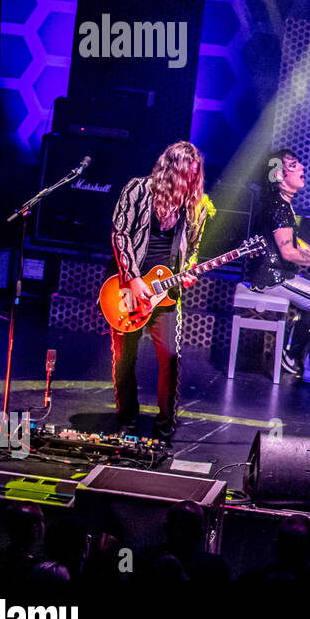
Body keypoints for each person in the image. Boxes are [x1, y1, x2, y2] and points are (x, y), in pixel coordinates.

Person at [109, 141, 211, 444]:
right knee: (123, 357)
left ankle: (165, 426)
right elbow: (120, 232)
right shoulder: (137, 190)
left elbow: (192, 249)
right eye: (185, 175)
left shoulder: (195, 206)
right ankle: (126, 417)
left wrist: (189, 269)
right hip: (128, 288)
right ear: (170, 170)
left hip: (165, 294)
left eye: (195, 176)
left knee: (170, 358)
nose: (190, 182)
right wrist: (133, 277)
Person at [245, 149, 310, 382]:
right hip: (272, 278)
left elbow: (295, 241)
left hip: (280, 275)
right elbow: (289, 252)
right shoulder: (278, 207)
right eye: (293, 165)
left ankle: (292, 354)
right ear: (279, 176)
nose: (301, 168)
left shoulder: (282, 203)